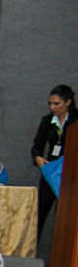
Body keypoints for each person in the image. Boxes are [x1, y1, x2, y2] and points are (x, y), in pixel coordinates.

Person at [31, 84, 76, 240]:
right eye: (50, 103)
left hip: (71, 175)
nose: (52, 107)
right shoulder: (47, 120)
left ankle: (61, 260)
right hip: (50, 172)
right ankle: (30, 254)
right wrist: (37, 158)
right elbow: (37, 146)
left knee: (64, 216)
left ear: (68, 102)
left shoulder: (76, 120)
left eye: (56, 104)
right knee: (40, 213)